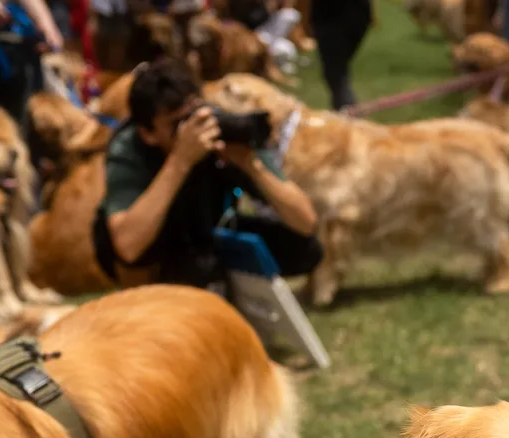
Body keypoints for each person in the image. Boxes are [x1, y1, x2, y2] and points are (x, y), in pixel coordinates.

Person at [94, 59, 319, 291]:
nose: (196, 129)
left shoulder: (219, 126)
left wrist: (251, 165)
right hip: (160, 242)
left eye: (196, 114)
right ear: (148, 133)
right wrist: (180, 161)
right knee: (137, 255)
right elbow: (128, 246)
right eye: (179, 123)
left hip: (208, 230)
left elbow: (305, 222)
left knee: (305, 247)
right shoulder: (130, 149)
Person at [309, 0, 372, 109]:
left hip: (331, 16)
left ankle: (347, 115)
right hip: (358, 14)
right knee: (338, 70)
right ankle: (344, 111)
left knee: (336, 74)